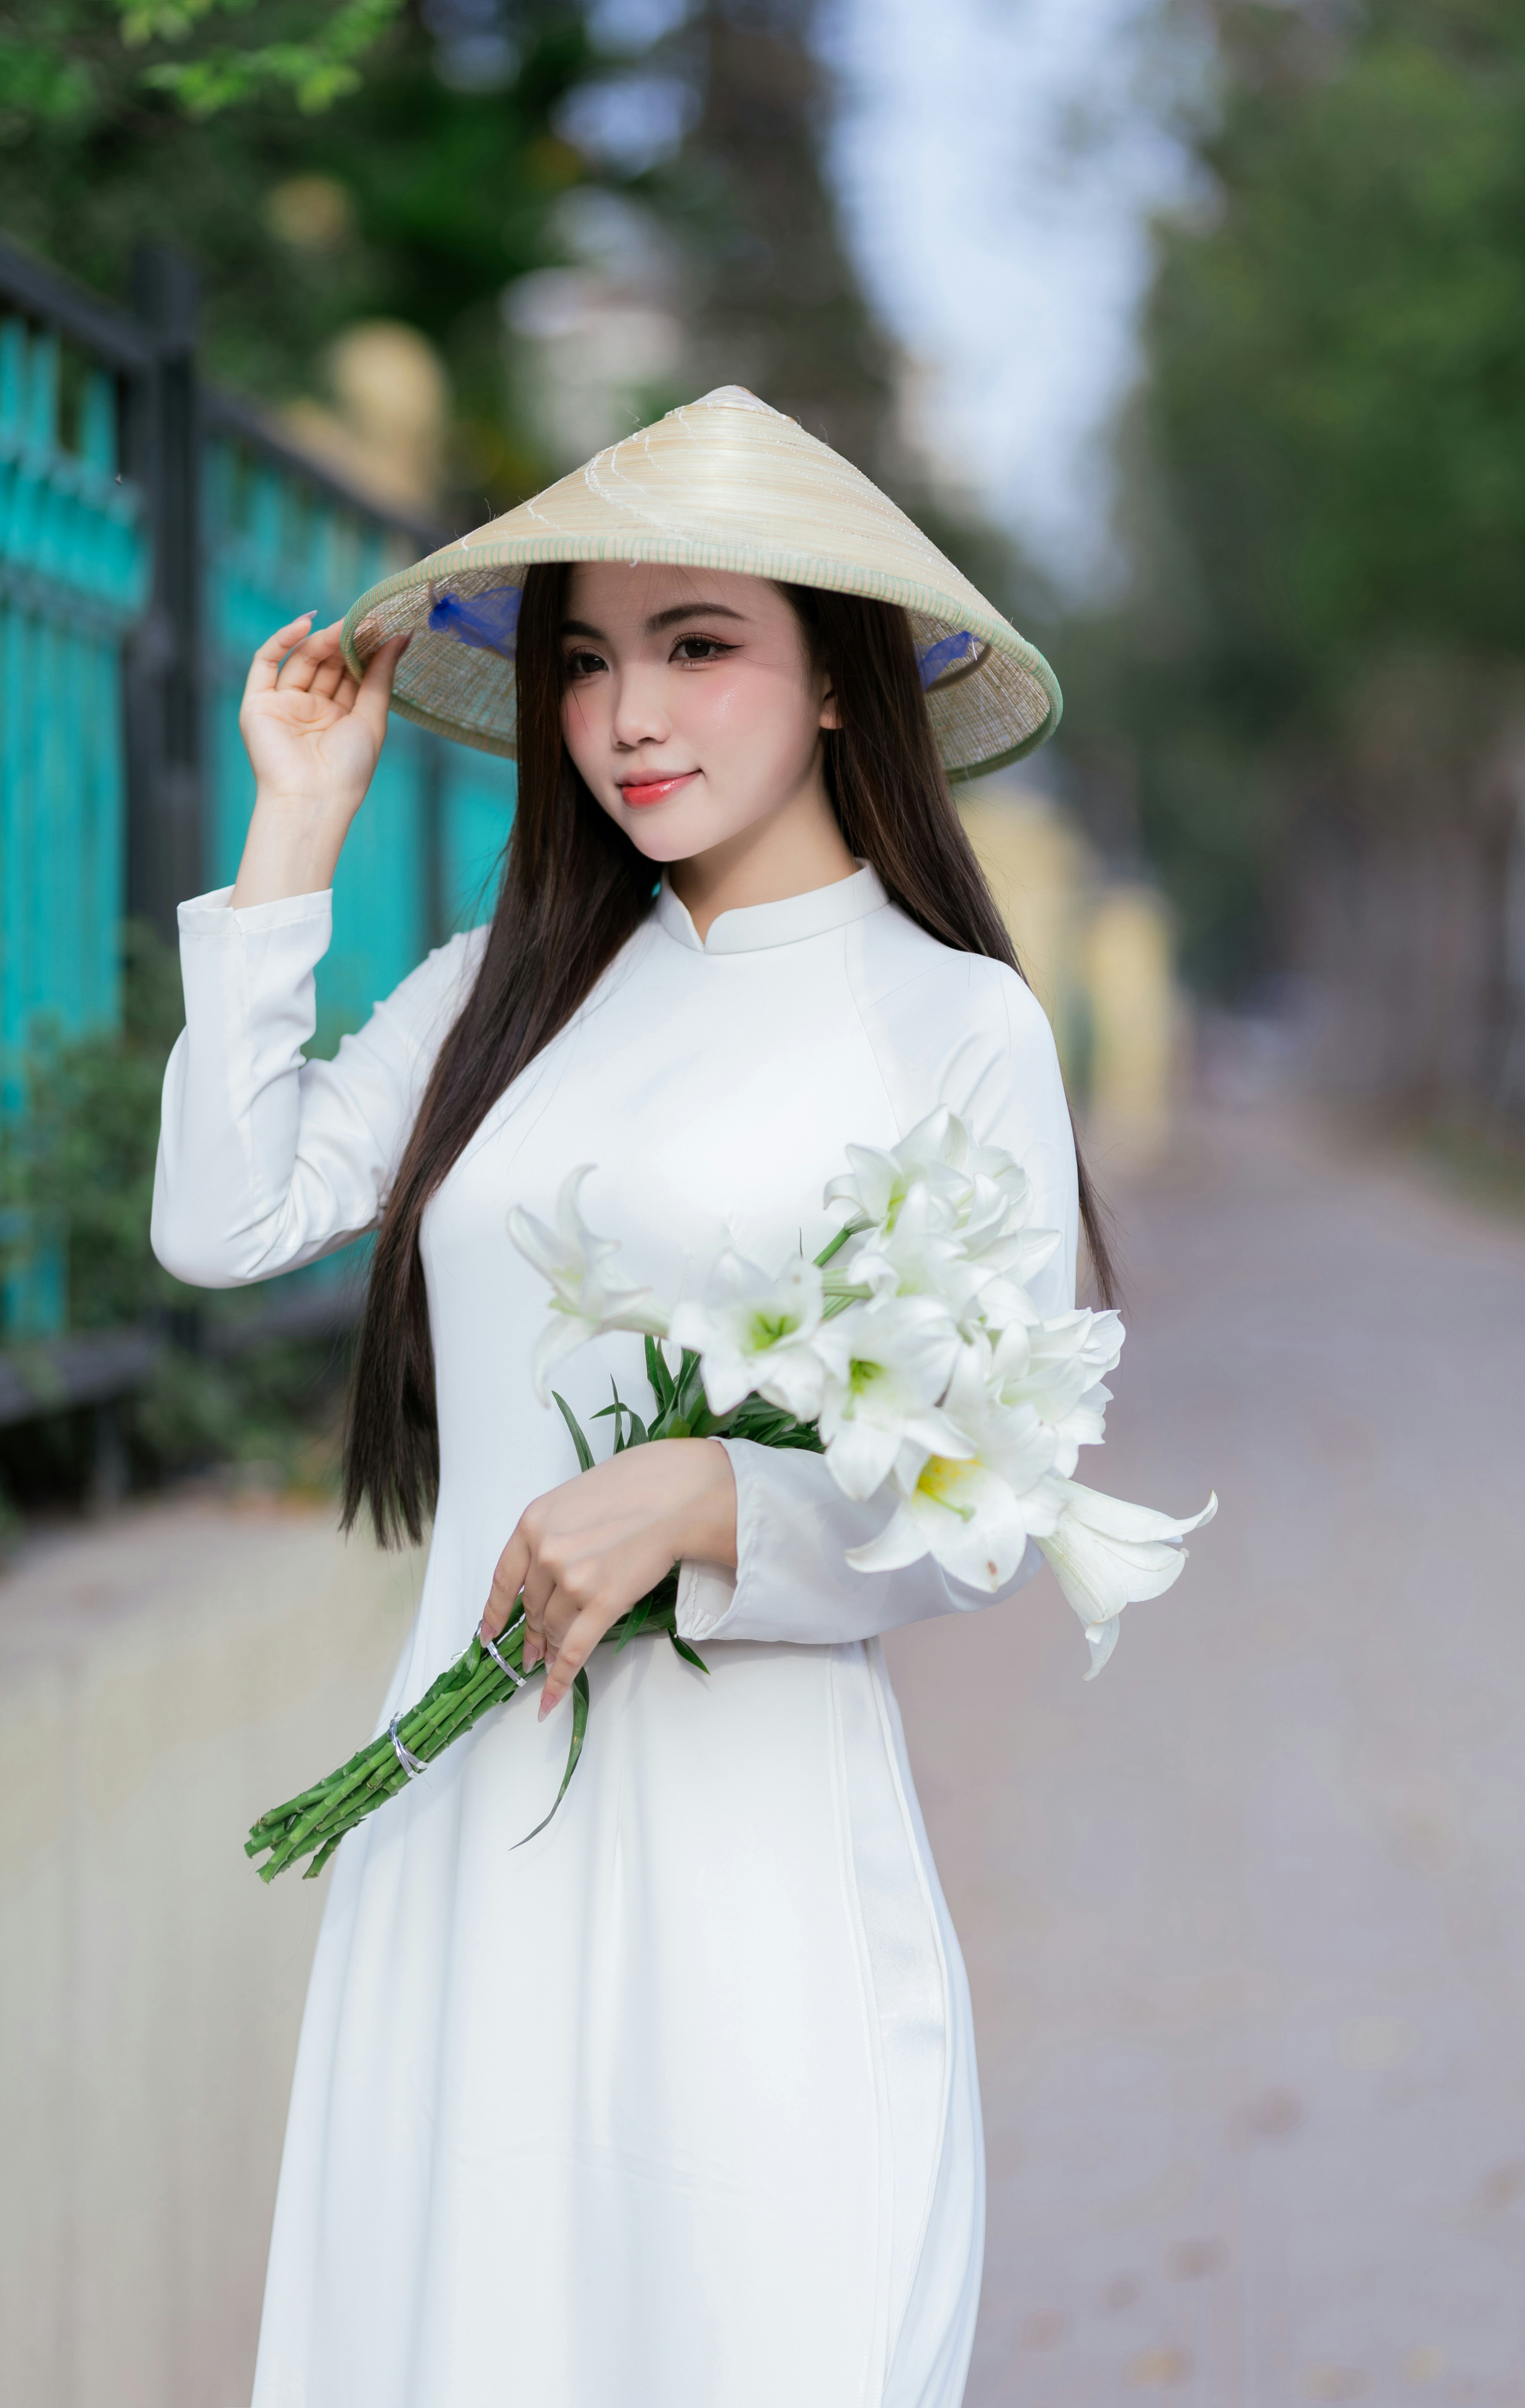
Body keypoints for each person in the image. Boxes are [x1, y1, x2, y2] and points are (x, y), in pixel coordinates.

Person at [153, 386, 1114, 2408]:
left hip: (744, 1862)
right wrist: (295, 828)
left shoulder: (950, 1022)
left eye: (697, 646)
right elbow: (225, 1221)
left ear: (843, 681)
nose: (625, 718)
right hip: (462, 1828)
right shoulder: (519, 976)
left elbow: (985, 1504)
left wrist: (704, 1503)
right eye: (587, 661)